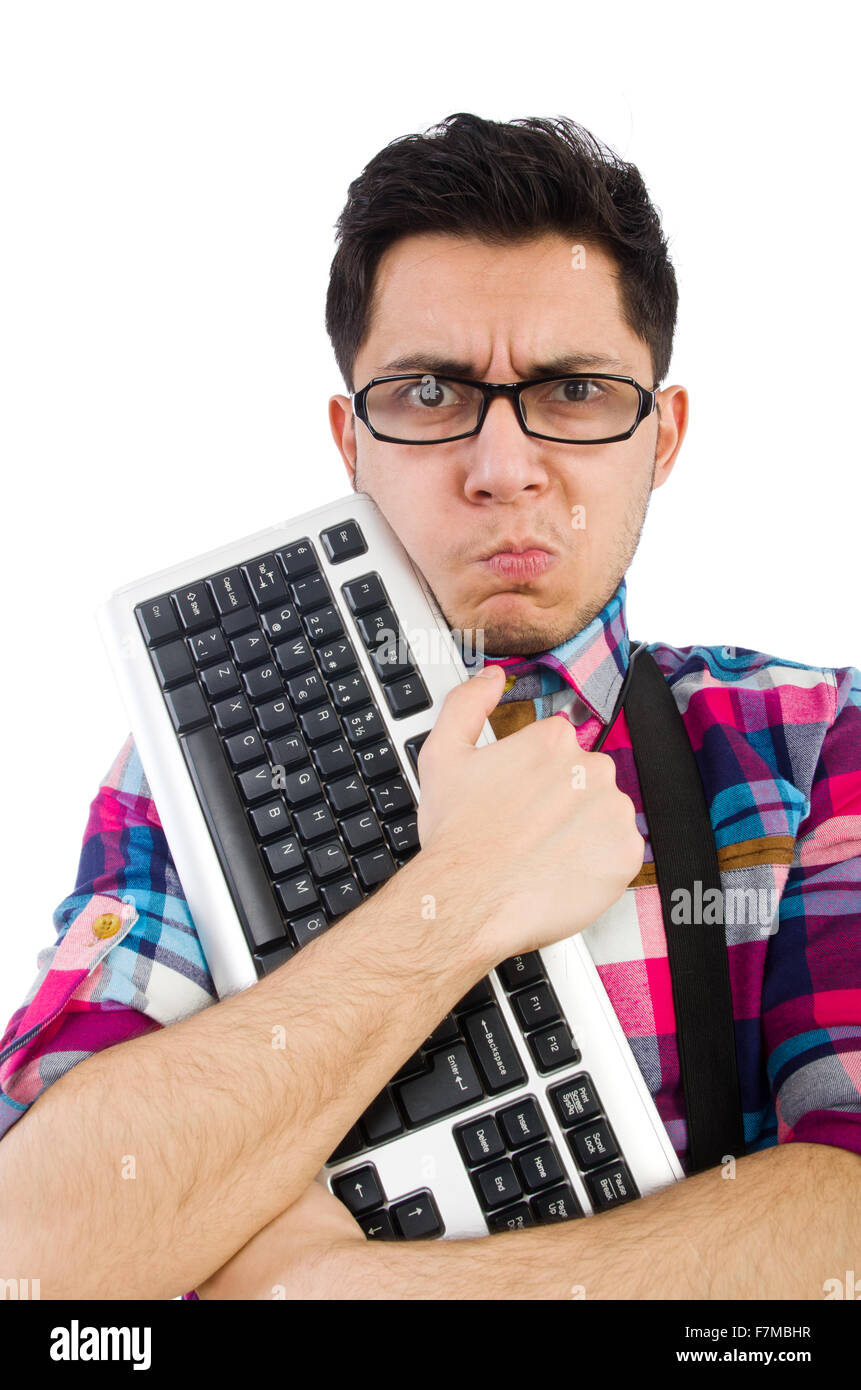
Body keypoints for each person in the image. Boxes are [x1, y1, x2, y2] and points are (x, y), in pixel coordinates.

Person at [1, 113, 859, 1302]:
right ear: (353, 439)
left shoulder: (815, 740)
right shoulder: (188, 767)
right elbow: (34, 1254)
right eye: (429, 389)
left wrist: (351, 1293)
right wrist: (451, 909)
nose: (503, 465)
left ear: (658, 438)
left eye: (572, 389)